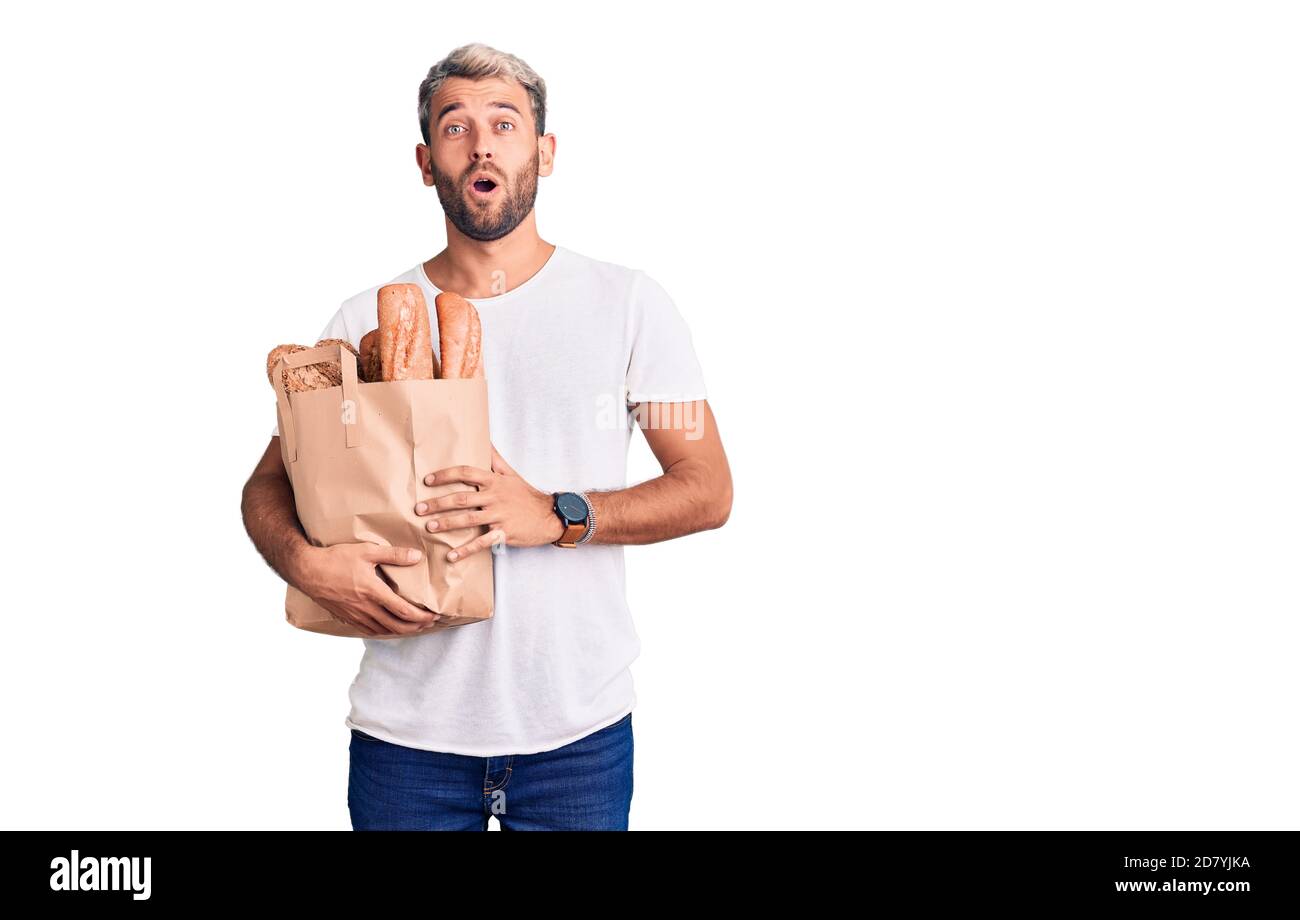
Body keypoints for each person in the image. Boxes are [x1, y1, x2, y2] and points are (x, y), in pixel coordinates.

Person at [241, 42, 732, 831]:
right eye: (455, 126)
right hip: (406, 740)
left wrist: (558, 512)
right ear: (424, 160)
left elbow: (707, 487)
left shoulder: (629, 305)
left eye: (505, 123)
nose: (481, 143)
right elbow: (268, 485)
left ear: (544, 151)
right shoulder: (364, 319)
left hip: (578, 737)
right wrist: (305, 563)